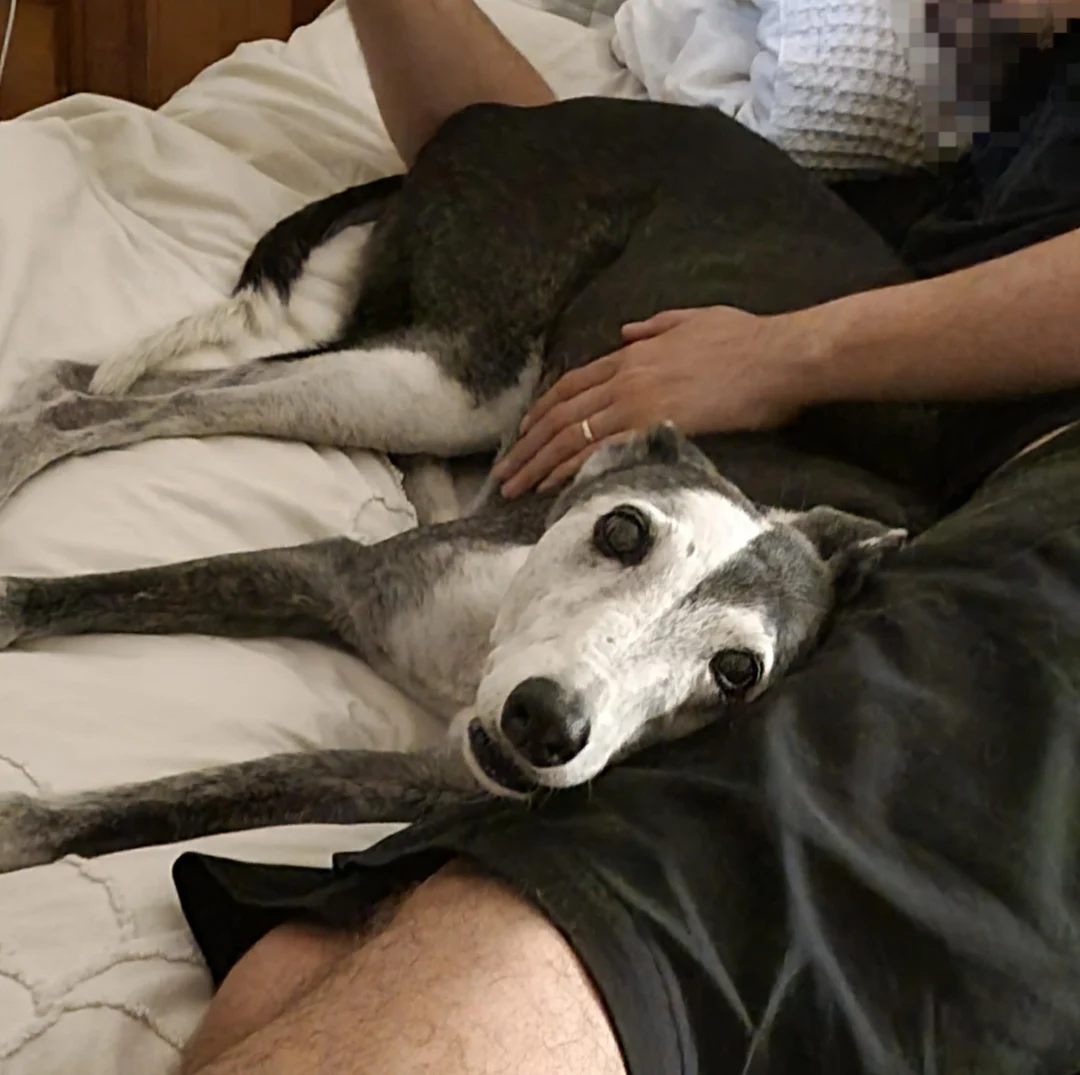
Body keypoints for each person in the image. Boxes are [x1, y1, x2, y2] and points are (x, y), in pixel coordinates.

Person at [169, 2, 1080, 1073]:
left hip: (1041, 505)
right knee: (286, 981)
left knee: (484, 985)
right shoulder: (946, 115)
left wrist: (790, 355)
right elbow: (535, 160)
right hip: (944, 515)